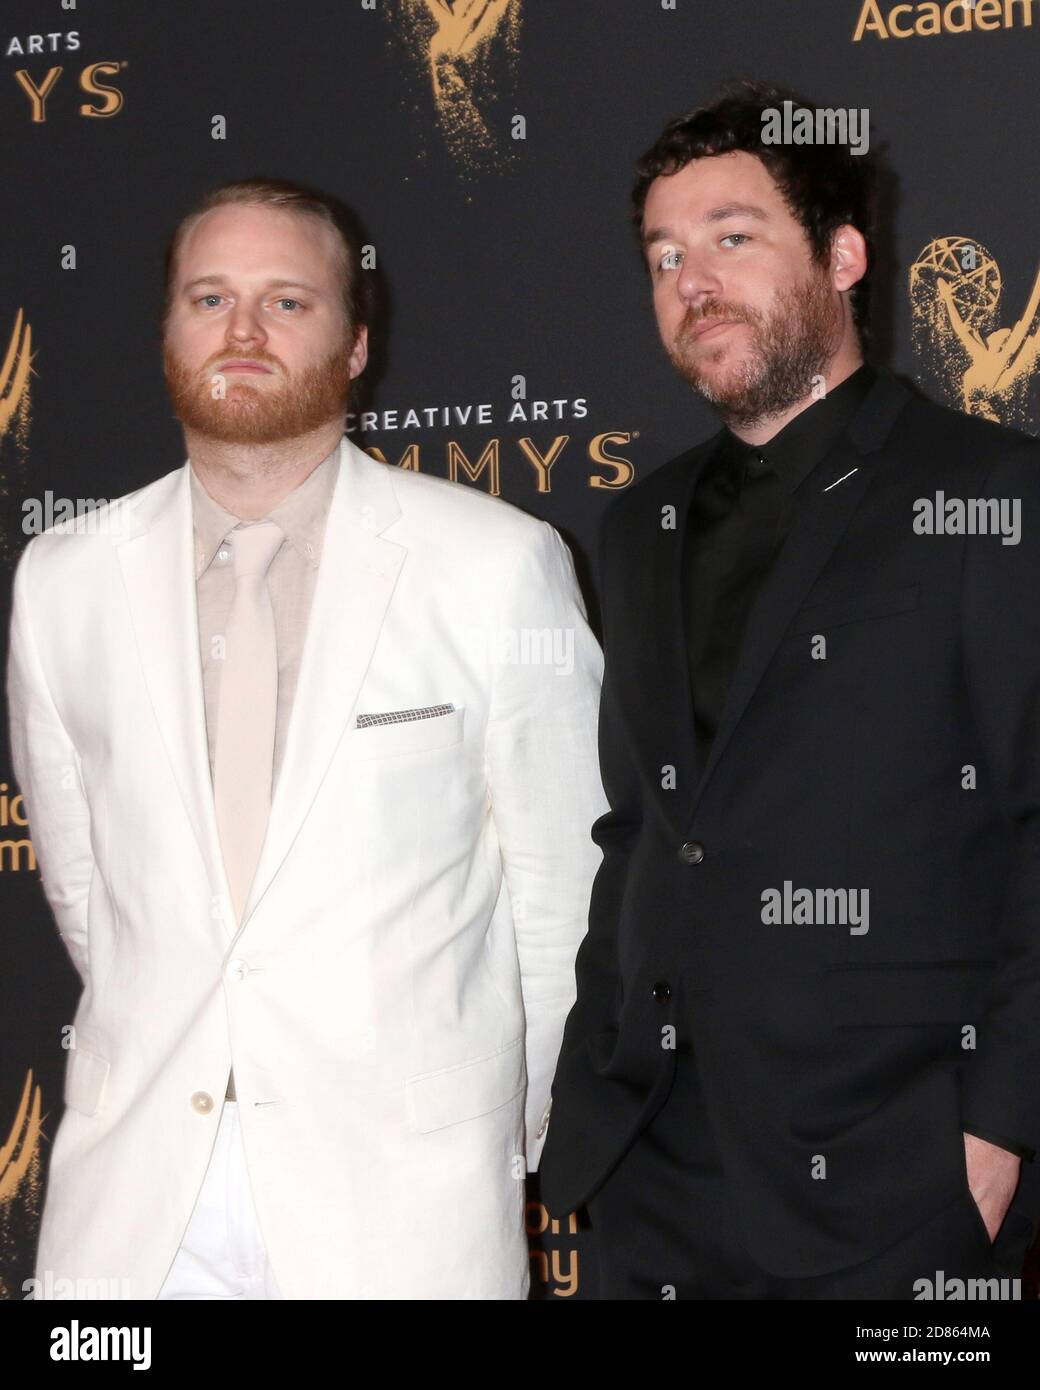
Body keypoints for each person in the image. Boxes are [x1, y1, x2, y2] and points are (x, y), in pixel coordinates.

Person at [7, 176, 607, 1300]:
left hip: (402, 1203)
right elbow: (90, 889)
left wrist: (487, 1137)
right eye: (209, 298)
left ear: (354, 344)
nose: (242, 331)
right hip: (135, 1207)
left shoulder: (494, 563)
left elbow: (560, 898)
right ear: (166, 330)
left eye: (287, 302)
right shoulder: (62, 580)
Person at [538, 80, 1040, 1299]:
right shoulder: (636, 523)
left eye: (729, 236)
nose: (689, 279)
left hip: (892, 1175)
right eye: (663, 254)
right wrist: (584, 1103)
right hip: (650, 1169)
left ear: (845, 254)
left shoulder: (988, 495)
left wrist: (994, 1130)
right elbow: (641, 831)